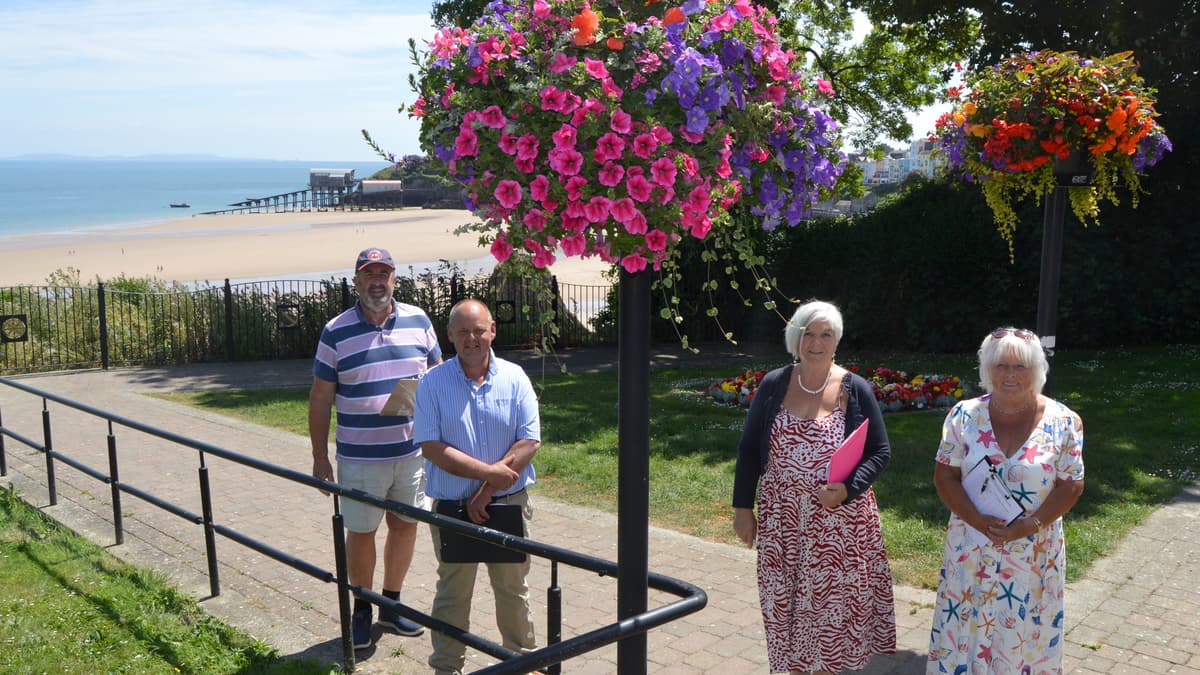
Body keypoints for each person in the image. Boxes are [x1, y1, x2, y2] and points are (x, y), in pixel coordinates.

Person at [732, 300, 897, 674]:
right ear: (796, 337)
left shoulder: (855, 389)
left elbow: (880, 452)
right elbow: (747, 450)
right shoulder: (774, 384)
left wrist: (848, 488)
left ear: (837, 341)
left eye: (826, 335)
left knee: (832, 614)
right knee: (784, 609)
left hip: (840, 524)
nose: (817, 343)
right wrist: (743, 509)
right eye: (809, 334)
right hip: (783, 522)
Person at [927, 327, 1085, 673]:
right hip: (972, 546)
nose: (1010, 375)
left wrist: (1030, 525)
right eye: (1001, 365)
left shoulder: (1064, 422)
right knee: (965, 635)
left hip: (1033, 553)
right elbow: (945, 476)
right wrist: (977, 520)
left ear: (1037, 371)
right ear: (987, 369)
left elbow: (1071, 484)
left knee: (1024, 640)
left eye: (1020, 366)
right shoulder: (963, 416)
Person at [309, 246, 442, 650]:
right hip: (360, 458)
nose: (377, 281)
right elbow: (320, 397)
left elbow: (439, 378)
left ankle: (392, 602)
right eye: (369, 274)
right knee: (362, 531)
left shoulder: (419, 321)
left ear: (395, 279)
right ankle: (362, 608)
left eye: (383, 273)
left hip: (412, 455)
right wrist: (318, 457)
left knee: (404, 527)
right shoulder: (336, 330)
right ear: (356, 282)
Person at [413, 298, 540, 675]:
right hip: (453, 507)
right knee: (453, 594)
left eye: (479, 330)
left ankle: (521, 663)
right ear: (449, 335)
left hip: (507, 502)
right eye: (463, 331)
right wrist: (489, 473)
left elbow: (529, 440)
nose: (472, 339)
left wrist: (486, 487)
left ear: (493, 331)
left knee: (513, 591)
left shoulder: (516, 377)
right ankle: (447, 667)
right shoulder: (432, 383)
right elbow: (431, 446)